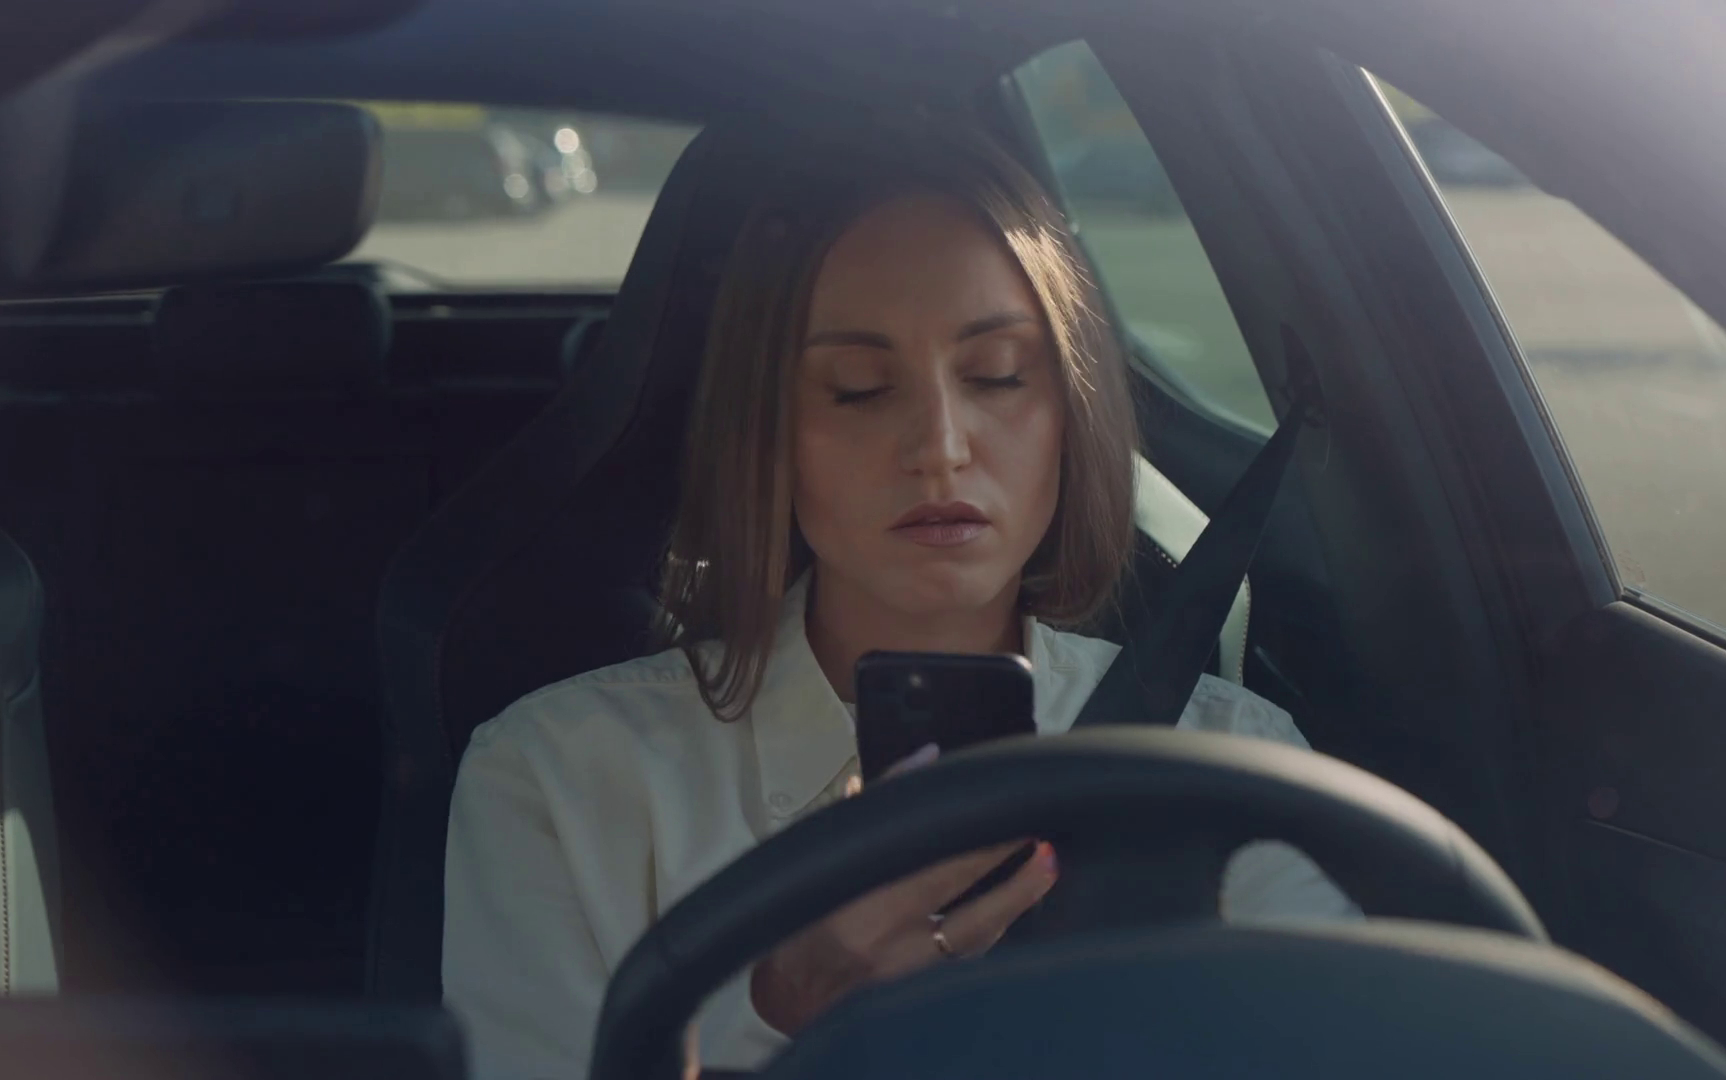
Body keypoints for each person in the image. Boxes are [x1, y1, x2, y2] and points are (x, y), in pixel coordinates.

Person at [441, 123, 1360, 1080]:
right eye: (860, 389)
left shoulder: (1229, 766)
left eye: (998, 376)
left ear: (1070, 412)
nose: (941, 447)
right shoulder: (563, 782)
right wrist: (791, 1025)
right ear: (769, 434)